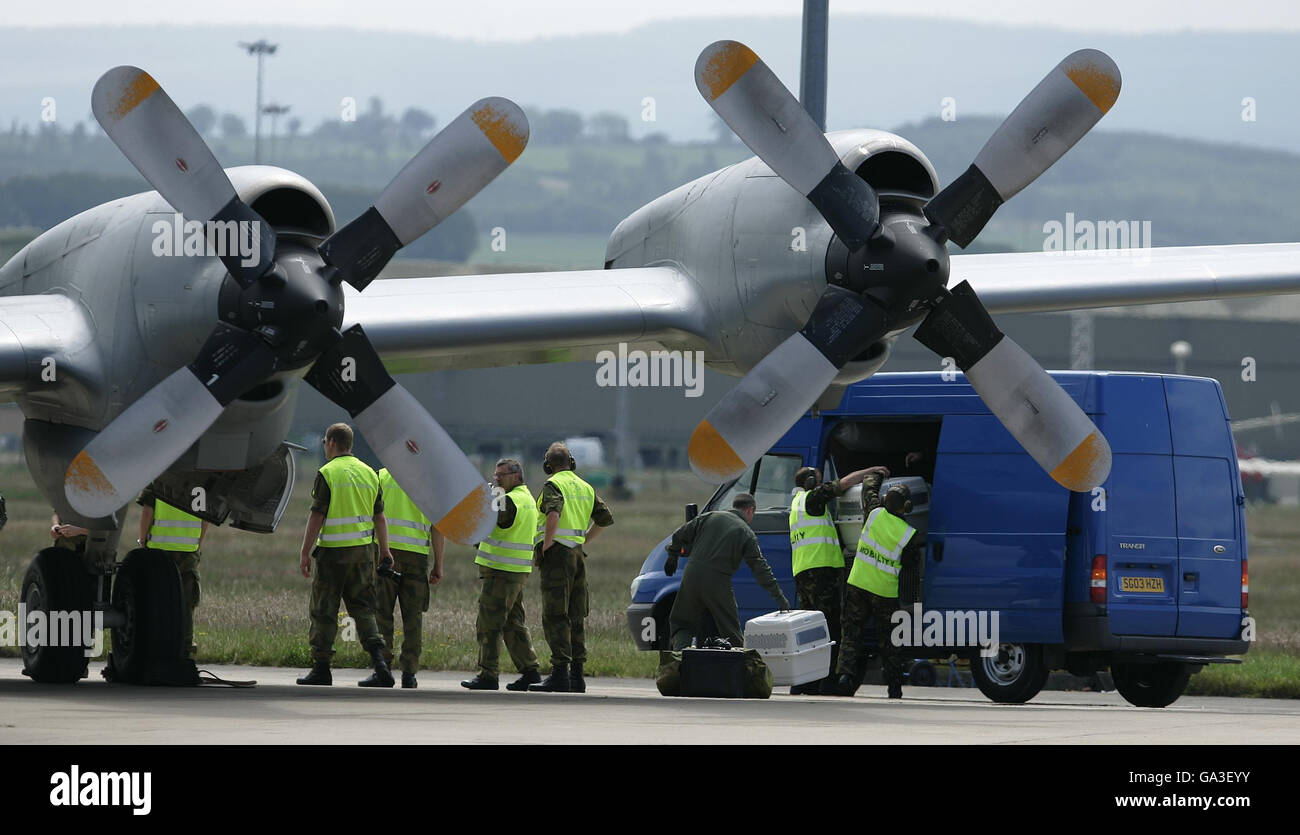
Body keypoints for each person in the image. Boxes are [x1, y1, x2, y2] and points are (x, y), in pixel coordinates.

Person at [295, 422, 395, 688]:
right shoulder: (369, 473)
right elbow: (380, 517)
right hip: (363, 554)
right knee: (364, 609)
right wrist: (385, 550)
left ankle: (322, 667)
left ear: (331, 442)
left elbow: (317, 515)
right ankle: (380, 664)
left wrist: (305, 552)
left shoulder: (327, 473)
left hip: (333, 555)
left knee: (324, 610)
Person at [787, 464, 889, 695]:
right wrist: (870, 472)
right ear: (811, 482)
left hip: (803, 571)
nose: (823, 483)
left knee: (810, 631)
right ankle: (827, 682)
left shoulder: (797, 504)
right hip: (822, 572)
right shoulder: (813, 499)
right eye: (820, 479)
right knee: (830, 629)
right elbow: (843, 484)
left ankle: (805, 682)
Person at [530, 442, 614, 693]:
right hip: (577, 553)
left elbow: (553, 513)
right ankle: (577, 675)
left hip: (558, 554)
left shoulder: (553, 485)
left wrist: (547, 544)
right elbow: (605, 519)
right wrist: (583, 539)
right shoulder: (585, 487)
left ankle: (559, 674)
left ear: (548, 465)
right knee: (576, 615)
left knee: (556, 614)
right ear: (572, 462)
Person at [666, 493, 790, 650]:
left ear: (734, 506)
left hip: (691, 575)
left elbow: (680, 534)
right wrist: (779, 597)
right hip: (717, 583)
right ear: (750, 510)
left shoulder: (710, 516)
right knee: (731, 631)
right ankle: (742, 669)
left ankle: (679, 662)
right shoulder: (746, 532)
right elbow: (760, 569)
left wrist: (672, 555)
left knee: (681, 623)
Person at [836, 473, 921, 699]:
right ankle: (894, 688)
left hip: (858, 584)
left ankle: (844, 677)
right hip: (884, 592)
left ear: (884, 501)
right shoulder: (908, 534)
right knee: (890, 642)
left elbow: (868, 491)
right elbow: (911, 564)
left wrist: (877, 474)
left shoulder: (873, 513)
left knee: (851, 635)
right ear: (907, 507)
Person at [462, 458, 543, 692]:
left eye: (501, 476)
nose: (496, 479)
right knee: (513, 624)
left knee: (489, 623)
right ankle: (531, 672)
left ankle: (488, 674)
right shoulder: (526, 498)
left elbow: (493, 517)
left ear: (516, 477)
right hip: (515, 572)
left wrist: (488, 493)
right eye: (495, 475)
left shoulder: (509, 501)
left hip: (501, 572)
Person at [374, 467, 444, 689]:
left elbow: (374, 514)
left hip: (386, 553)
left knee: (382, 614)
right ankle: (409, 674)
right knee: (413, 619)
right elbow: (437, 528)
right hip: (417, 558)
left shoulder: (383, 476)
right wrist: (438, 564)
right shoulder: (432, 483)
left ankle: (382, 668)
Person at [137, 487, 211, 659]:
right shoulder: (201, 485)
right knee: (186, 602)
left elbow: (147, 513)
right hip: (188, 552)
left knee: (155, 600)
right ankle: (184, 649)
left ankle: (153, 645)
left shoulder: (159, 479)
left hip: (158, 550)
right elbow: (205, 519)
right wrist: (198, 546)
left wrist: (142, 541)